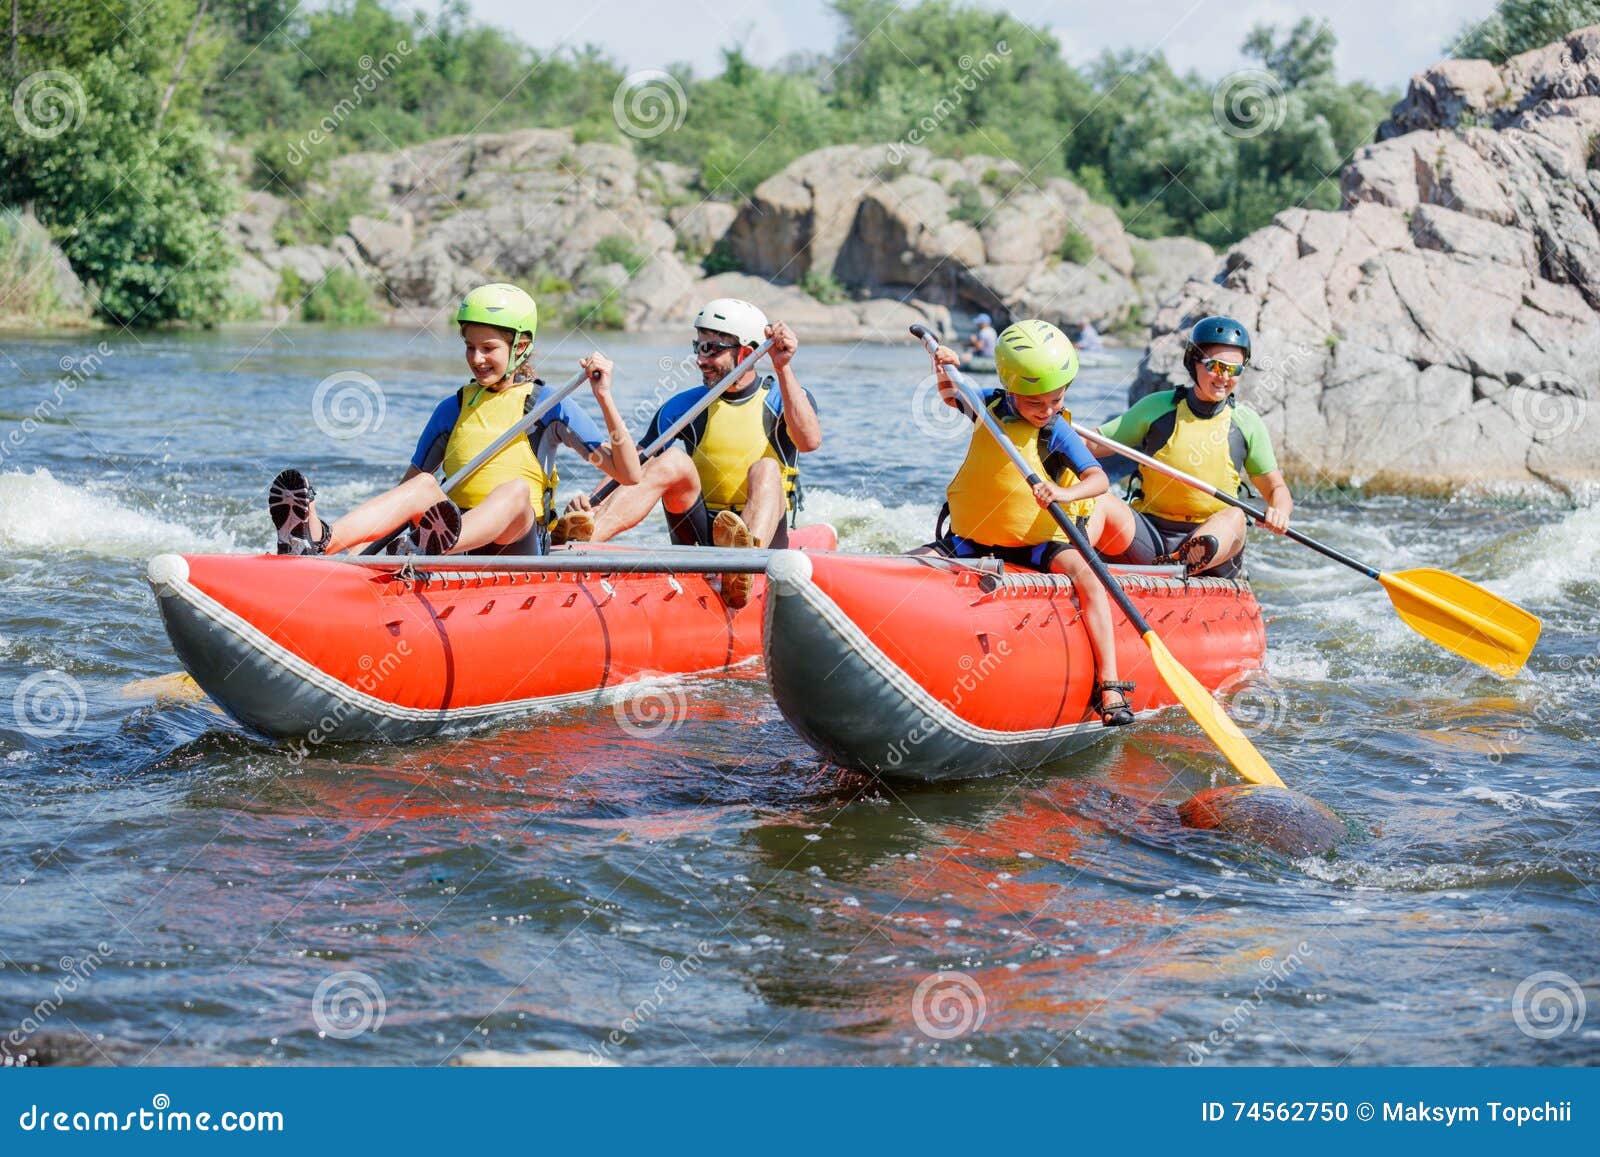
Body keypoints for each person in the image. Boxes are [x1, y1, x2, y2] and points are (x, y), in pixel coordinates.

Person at [269, 283, 642, 558]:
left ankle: (429, 547)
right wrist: (356, 556)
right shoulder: (453, 408)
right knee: (422, 487)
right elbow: (406, 492)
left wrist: (603, 396)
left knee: (514, 493)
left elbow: (628, 475)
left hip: (516, 547)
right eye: (469, 347)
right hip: (450, 535)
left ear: (522, 346)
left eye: (488, 348)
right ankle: (317, 540)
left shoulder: (549, 406)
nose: (477, 358)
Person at [927, 319, 1136, 726]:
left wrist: (1062, 494)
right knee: (913, 564)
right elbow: (952, 394)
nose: (1047, 410)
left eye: (1055, 400)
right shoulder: (988, 406)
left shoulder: (1057, 431)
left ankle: (1110, 684)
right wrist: (944, 368)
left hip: (1037, 544)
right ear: (1009, 389)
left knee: (1090, 576)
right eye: (1035, 402)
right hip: (970, 539)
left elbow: (1096, 479)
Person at [553, 297, 820, 608]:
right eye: (698, 347)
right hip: (698, 536)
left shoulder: (784, 398)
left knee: (766, 468)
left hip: (763, 543)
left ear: (747, 352)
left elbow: (809, 441)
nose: (699, 359)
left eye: (711, 349)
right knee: (672, 461)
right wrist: (590, 505)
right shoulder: (683, 406)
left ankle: (740, 571)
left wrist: (783, 366)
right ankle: (578, 546)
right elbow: (633, 466)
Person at [1091, 315, 1292, 578]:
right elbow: (1094, 443)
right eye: (1216, 366)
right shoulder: (1158, 407)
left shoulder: (1246, 423)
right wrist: (1055, 430)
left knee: (1236, 517)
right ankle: (1073, 560)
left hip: (1211, 544)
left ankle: (1183, 564)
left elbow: (1276, 487)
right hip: (1151, 536)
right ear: (1193, 362)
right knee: (1099, 500)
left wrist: (1280, 511)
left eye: (1234, 369)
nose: (1224, 377)